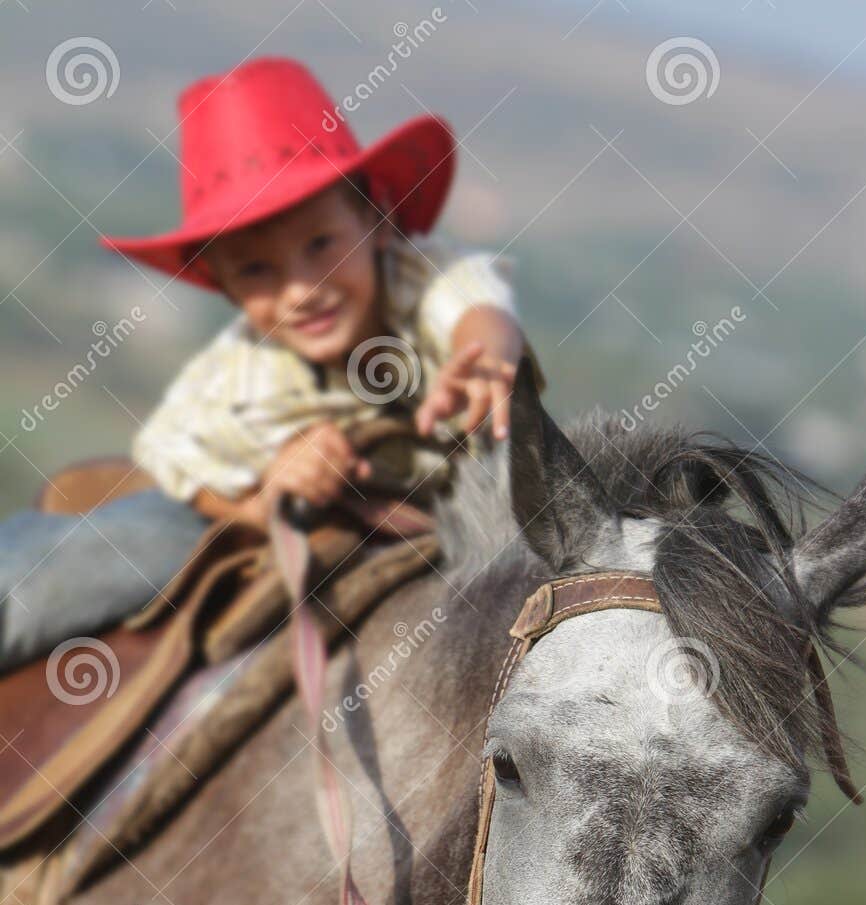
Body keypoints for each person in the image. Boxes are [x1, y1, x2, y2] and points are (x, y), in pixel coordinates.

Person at [0, 56, 525, 672]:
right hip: (252, 510)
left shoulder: (417, 277)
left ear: (378, 220)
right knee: (144, 541)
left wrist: (488, 355)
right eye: (256, 270)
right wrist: (265, 494)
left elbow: (473, 297)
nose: (301, 290)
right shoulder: (233, 376)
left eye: (321, 245)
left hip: (453, 523)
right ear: (224, 286)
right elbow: (174, 460)